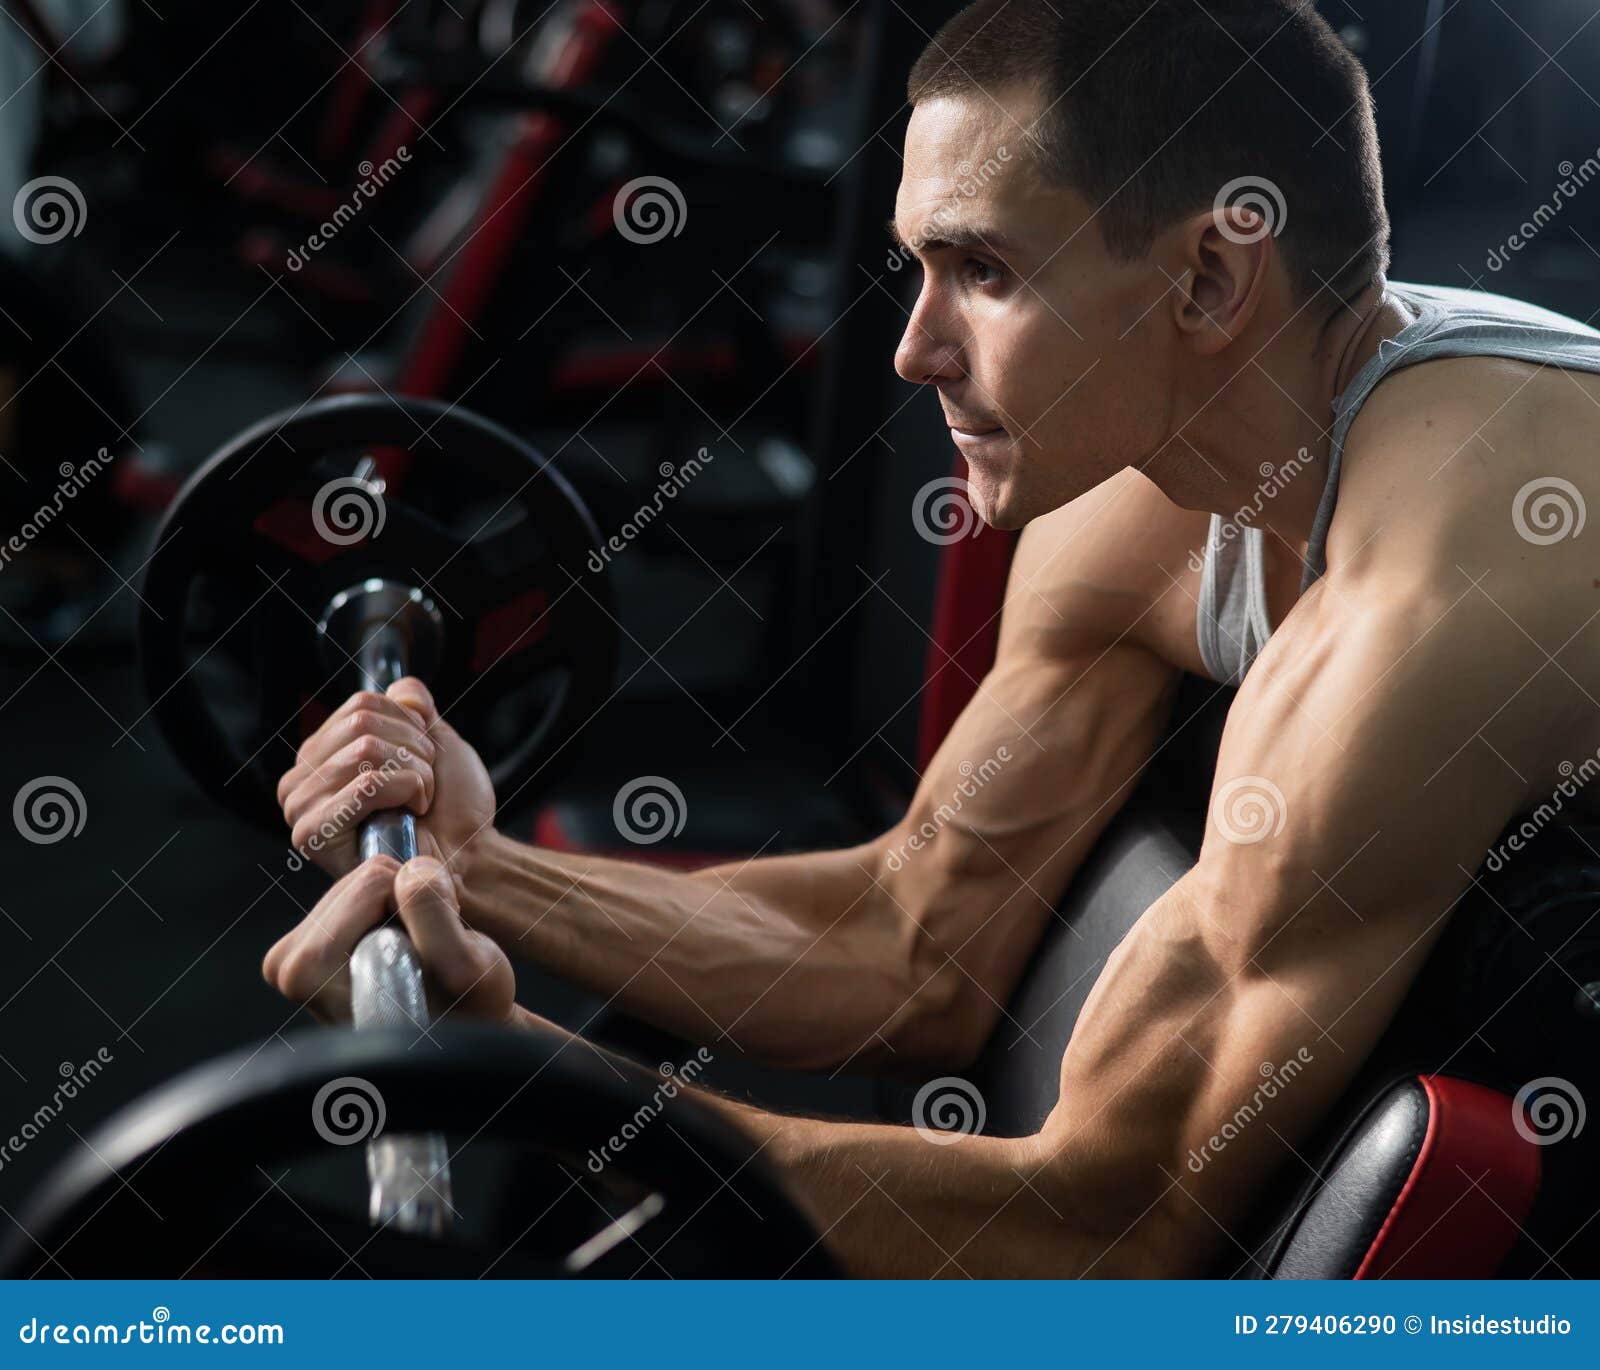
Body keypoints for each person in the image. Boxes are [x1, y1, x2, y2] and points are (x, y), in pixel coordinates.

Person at [264, 0, 1600, 1276]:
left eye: (984, 271)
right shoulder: (1142, 500)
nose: (913, 348)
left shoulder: (1431, 600)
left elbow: (1097, 1240)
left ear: (1206, 275)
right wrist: (476, 869)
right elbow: (918, 941)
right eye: (921, 269)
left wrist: (510, 1075)